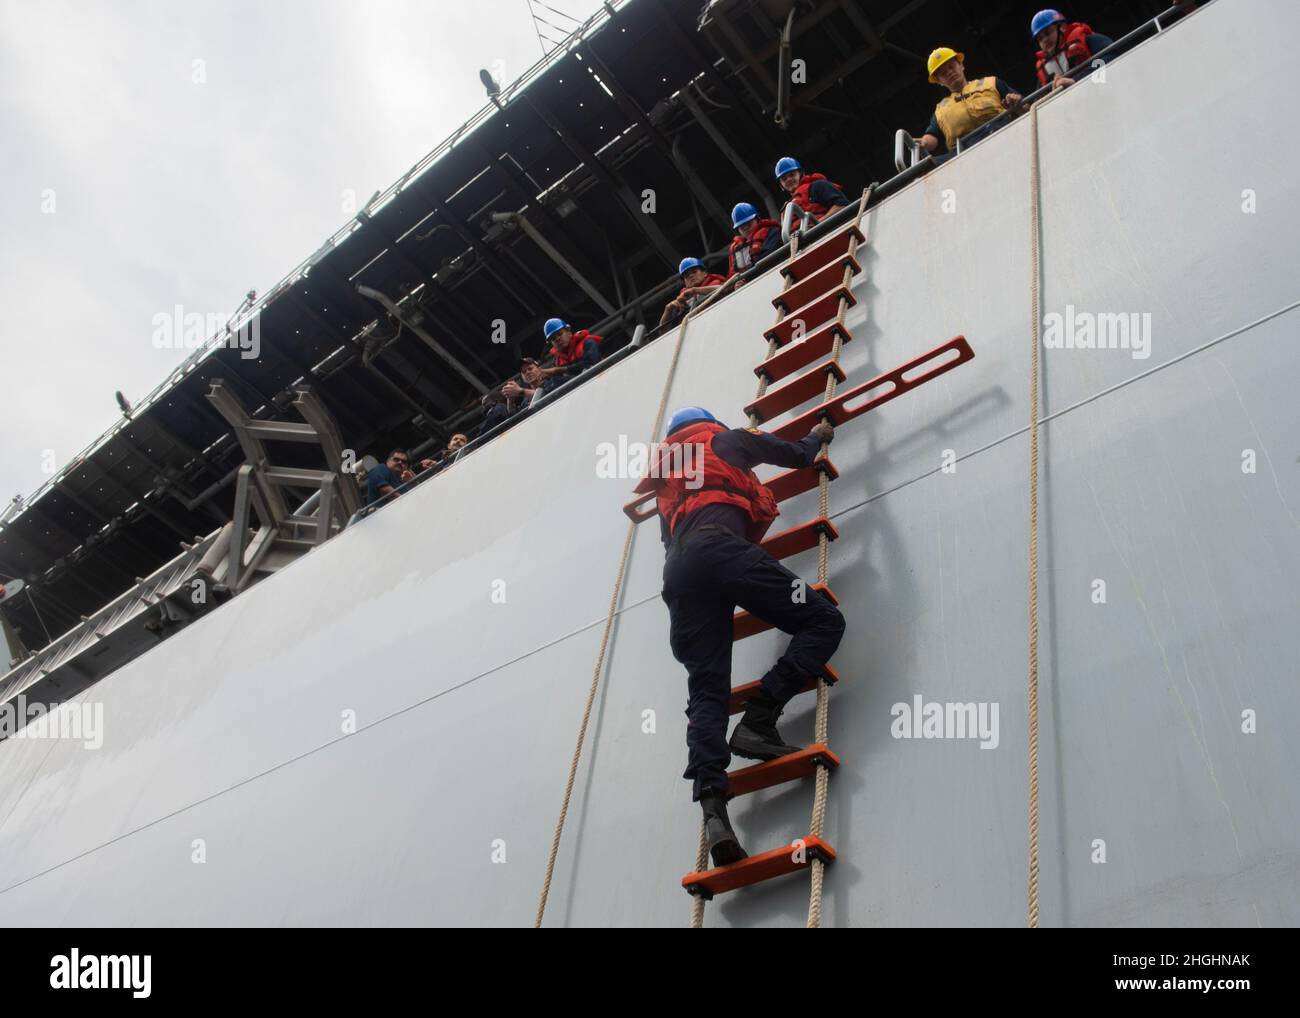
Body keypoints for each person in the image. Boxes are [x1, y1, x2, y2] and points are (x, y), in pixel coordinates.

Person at [634, 407, 846, 867]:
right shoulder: (726, 440)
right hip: (721, 550)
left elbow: (671, 539)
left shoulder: (667, 475)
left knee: (707, 688)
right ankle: (758, 719)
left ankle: (713, 806)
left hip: (680, 575)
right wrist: (817, 435)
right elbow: (793, 455)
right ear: (706, 423)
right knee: (824, 621)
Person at [918, 48, 1023, 160]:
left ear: (961, 66)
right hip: (964, 152)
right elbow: (932, 138)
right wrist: (922, 142)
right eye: (943, 73)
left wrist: (1017, 104)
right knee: (928, 165)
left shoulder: (992, 83)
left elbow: (1027, 107)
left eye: (951, 67)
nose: (949, 72)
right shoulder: (940, 111)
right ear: (939, 82)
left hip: (1001, 132)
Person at [1029, 9, 1114, 90]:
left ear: (1062, 27)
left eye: (1047, 33)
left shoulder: (1085, 39)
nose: (1045, 40)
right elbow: (1039, 98)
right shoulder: (1044, 68)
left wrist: (1076, 80)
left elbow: (1111, 53)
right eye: (1040, 39)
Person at [481, 357, 552, 432]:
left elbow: (548, 393)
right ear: (522, 378)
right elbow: (514, 415)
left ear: (539, 369)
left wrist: (521, 391)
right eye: (523, 372)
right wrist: (510, 400)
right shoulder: (525, 401)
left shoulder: (553, 381)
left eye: (530, 368)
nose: (527, 372)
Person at [774, 156, 849, 223]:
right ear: (781, 186)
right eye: (784, 179)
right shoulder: (786, 210)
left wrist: (817, 226)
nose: (789, 180)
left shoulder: (818, 186)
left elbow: (842, 205)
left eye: (792, 175)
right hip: (802, 238)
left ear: (801, 174)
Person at [660, 257, 725, 326]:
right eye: (686, 276)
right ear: (685, 282)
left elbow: (724, 288)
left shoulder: (716, 283)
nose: (691, 276)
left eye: (694, 272)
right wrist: (668, 309)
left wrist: (694, 290)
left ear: (705, 273)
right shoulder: (682, 302)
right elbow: (662, 331)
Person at [727, 203, 782, 279]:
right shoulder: (738, 248)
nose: (746, 228)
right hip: (752, 284)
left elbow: (769, 256)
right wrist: (736, 284)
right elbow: (732, 276)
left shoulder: (771, 231)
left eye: (748, 224)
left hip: (774, 273)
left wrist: (746, 278)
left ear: (757, 219)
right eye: (742, 227)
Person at [542, 319, 602, 385]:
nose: (557, 339)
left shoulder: (587, 343)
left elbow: (591, 363)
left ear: (569, 332)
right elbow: (557, 381)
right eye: (553, 339)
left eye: (560, 334)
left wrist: (559, 370)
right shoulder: (556, 362)